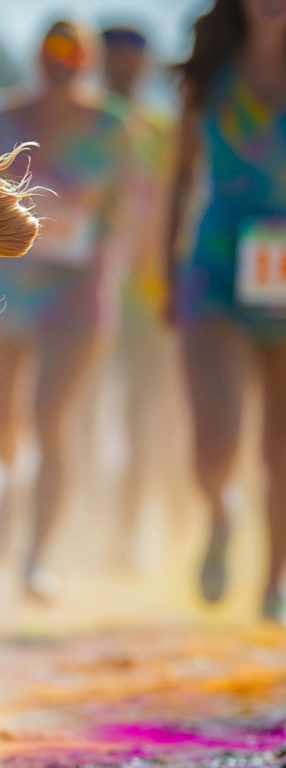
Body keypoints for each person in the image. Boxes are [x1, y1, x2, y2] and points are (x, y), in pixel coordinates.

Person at [0, 20, 128, 599]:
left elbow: (126, 209)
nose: (62, 63)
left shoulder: (112, 127)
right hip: (10, 291)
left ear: (87, 61)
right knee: (3, 423)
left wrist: (86, 234)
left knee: (51, 421)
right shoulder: (0, 121)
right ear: (37, 58)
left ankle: (38, 556)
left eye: (73, 54)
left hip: (78, 295)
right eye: (51, 52)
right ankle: (7, 493)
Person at [168, 0, 286, 620]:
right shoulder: (208, 75)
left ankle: (273, 584)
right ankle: (220, 511)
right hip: (215, 274)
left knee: (281, 451)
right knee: (214, 445)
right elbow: (181, 178)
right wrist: (166, 267)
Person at [100, 26, 179, 562]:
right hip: (79, 289)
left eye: (133, 62)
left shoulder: (163, 129)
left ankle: (129, 530)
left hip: (149, 294)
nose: (125, 71)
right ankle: (71, 521)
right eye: (116, 61)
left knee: (144, 414)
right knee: (71, 412)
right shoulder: (81, 121)